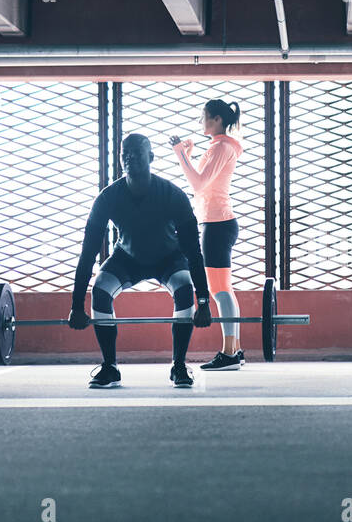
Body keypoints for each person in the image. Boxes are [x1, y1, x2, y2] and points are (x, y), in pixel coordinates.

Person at [70, 134, 212, 389]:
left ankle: (178, 366)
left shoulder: (173, 195)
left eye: (136, 152)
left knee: (183, 288)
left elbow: (193, 250)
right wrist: (76, 305)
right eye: (125, 153)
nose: (130, 157)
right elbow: (88, 251)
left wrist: (202, 301)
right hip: (127, 259)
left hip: (169, 259)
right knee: (100, 290)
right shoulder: (107, 197)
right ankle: (110, 367)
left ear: (151, 157)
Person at [170, 100, 245, 371]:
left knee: (219, 290)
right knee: (224, 290)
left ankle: (229, 354)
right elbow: (201, 184)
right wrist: (187, 155)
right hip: (218, 222)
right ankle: (234, 350)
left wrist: (180, 154)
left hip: (216, 225)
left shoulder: (221, 147)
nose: (201, 122)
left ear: (215, 120)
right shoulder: (221, 146)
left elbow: (198, 183)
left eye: (203, 117)